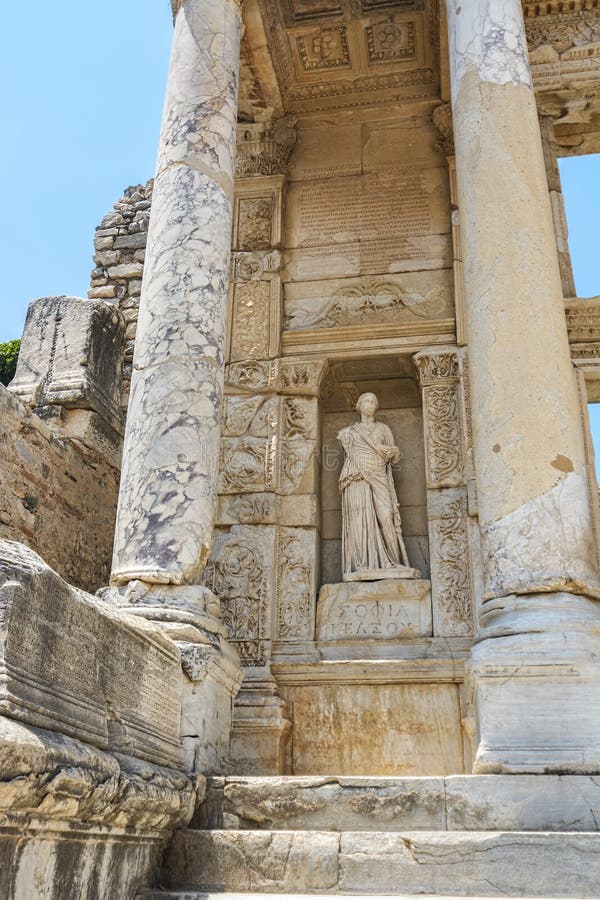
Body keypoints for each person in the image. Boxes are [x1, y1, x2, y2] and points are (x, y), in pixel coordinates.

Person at [338, 392, 410, 579]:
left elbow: (395, 455)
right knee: (360, 518)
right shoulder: (349, 432)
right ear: (359, 406)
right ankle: (362, 565)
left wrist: (391, 452)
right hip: (356, 476)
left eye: (373, 402)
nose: (370, 404)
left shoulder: (384, 429)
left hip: (379, 475)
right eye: (366, 401)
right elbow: (348, 449)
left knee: (386, 516)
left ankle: (393, 561)